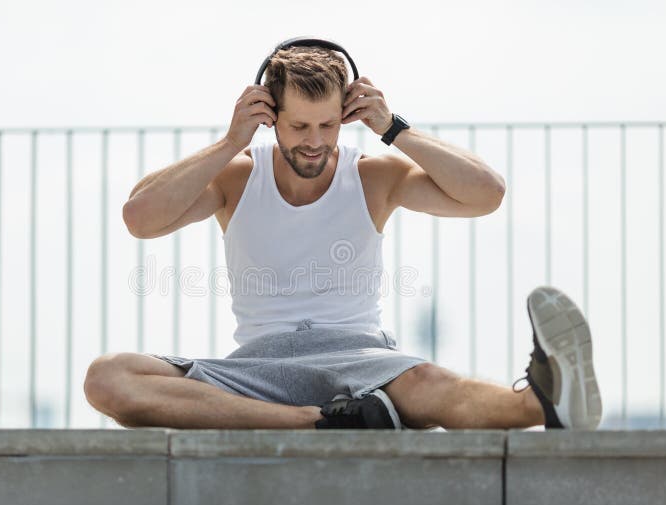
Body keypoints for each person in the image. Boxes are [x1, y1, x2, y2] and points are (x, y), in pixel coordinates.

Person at [83, 45, 602, 431]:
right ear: (271, 117)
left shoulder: (373, 175)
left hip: (363, 361)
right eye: (300, 126)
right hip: (259, 369)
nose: (314, 143)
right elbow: (140, 218)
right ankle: (309, 422)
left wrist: (394, 128)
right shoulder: (237, 176)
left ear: (346, 116)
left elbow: (486, 194)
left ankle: (546, 398)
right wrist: (229, 141)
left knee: (431, 387)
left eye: (327, 126)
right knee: (107, 378)